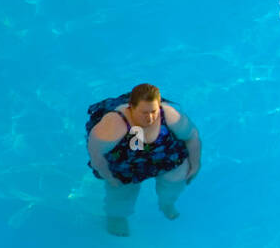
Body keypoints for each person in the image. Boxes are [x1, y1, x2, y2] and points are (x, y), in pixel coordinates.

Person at [86, 83, 201, 236]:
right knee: (122, 190)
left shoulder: (170, 116)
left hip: (160, 150)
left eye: (154, 111)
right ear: (130, 107)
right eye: (144, 112)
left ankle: (167, 203)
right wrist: (109, 177)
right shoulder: (112, 127)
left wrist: (195, 163)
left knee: (177, 176)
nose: (150, 118)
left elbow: (192, 136)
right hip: (124, 156)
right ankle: (117, 217)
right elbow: (96, 156)